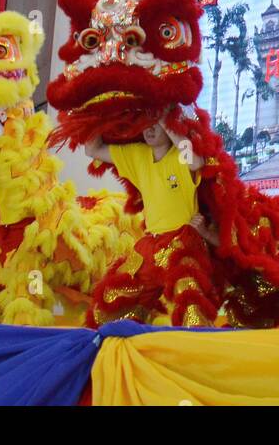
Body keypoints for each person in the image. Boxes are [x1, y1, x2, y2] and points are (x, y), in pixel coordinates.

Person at [84, 119, 221, 325]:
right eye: (146, 122)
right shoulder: (136, 154)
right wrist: (97, 114)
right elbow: (92, 150)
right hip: (149, 248)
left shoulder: (181, 154)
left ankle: (197, 353)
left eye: (155, 123)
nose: (149, 128)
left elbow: (196, 162)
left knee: (191, 308)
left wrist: (165, 117)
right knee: (108, 304)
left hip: (183, 243)